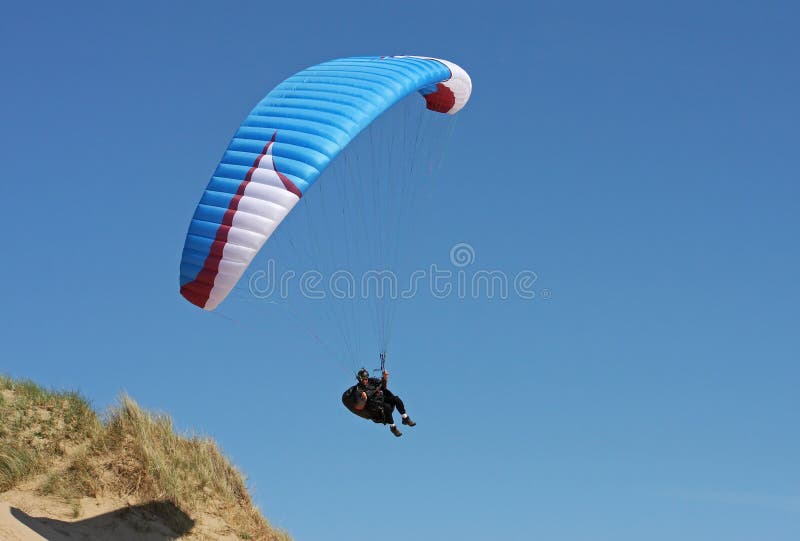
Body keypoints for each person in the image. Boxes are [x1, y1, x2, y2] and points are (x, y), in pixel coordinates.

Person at [350, 367, 415, 437]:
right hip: (374, 407)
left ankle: (405, 418)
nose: (366, 380)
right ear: (360, 379)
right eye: (364, 379)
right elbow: (359, 406)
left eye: (366, 378)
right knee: (387, 407)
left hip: (382, 398)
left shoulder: (372, 381)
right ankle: (393, 427)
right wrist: (364, 399)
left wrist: (385, 378)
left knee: (396, 399)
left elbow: (383, 386)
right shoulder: (357, 390)